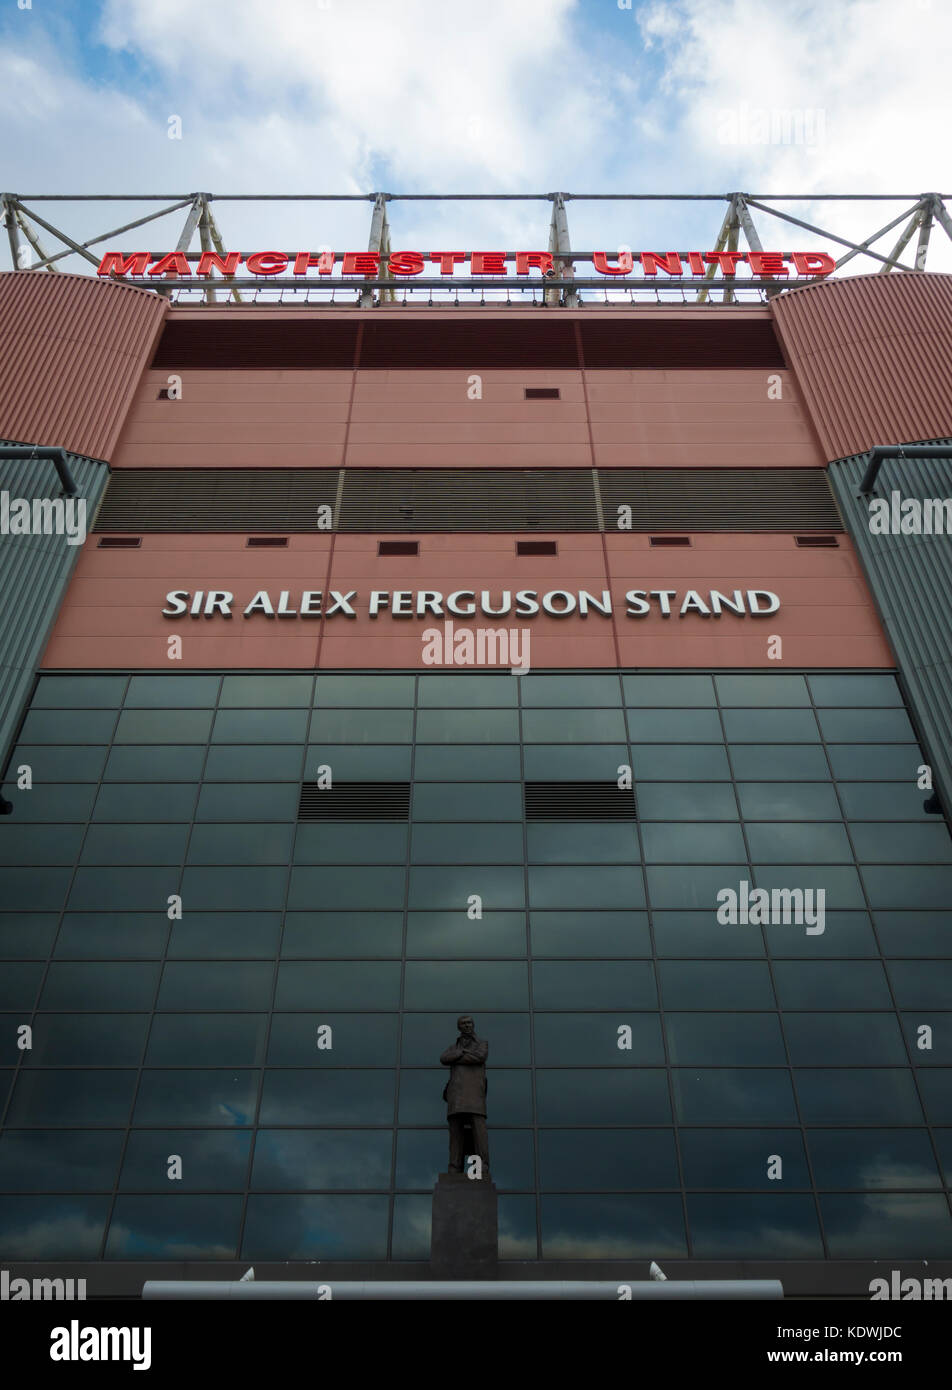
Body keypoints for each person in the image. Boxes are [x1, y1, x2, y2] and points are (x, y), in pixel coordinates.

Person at [440, 1015, 490, 1175]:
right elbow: (444, 1058)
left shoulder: (482, 1044)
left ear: (473, 1025)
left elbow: (479, 1057)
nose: (467, 1025)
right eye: (463, 1023)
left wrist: (459, 1055)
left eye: (469, 1022)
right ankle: (454, 1167)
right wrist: (463, 1053)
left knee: (478, 1133)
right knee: (456, 1134)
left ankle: (479, 1168)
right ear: (459, 1027)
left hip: (475, 1096)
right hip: (456, 1096)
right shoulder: (453, 1047)